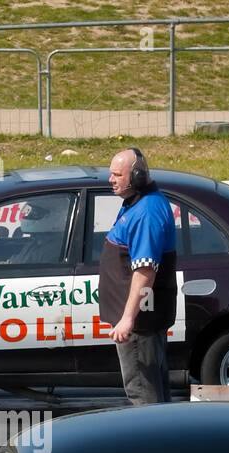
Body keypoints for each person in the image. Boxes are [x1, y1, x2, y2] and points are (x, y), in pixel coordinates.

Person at [100, 148, 178, 404]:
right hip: (142, 324)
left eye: (117, 175)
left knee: (143, 393)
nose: (111, 180)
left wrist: (127, 319)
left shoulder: (146, 212)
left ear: (136, 176)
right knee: (151, 389)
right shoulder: (139, 203)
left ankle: (153, 442)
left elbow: (145, 271)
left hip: (140, 327)